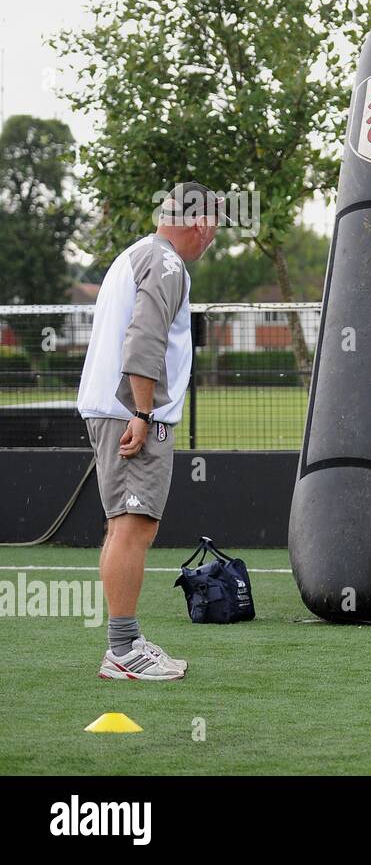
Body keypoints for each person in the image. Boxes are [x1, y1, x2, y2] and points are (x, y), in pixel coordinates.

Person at [77, 182, 222, 679]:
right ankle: (122, 650)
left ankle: (127, 642)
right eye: (215, 228)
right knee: (131, 525)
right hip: (132, 412)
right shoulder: (166, 264)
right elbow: (145, 339)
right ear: (200, 223)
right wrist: (142, 413)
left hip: (117, 408)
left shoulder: (137, 254)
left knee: (132, 524)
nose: (213, 240)